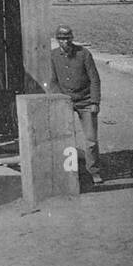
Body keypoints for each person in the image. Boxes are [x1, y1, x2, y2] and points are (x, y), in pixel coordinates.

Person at [47, 24, 105, 184]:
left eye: (67, 38)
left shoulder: (84, 54)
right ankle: (69, 172)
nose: (64, 42)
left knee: (91, 139)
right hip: (66, 102)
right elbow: (53, 81)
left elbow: (94, 79)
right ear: (57, 40)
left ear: (72, 38)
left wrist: (95, 102)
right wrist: (59, 99)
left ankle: (94, 171)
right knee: (65, 138)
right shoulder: (53, 56)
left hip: (86, 101)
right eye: (61, 39)